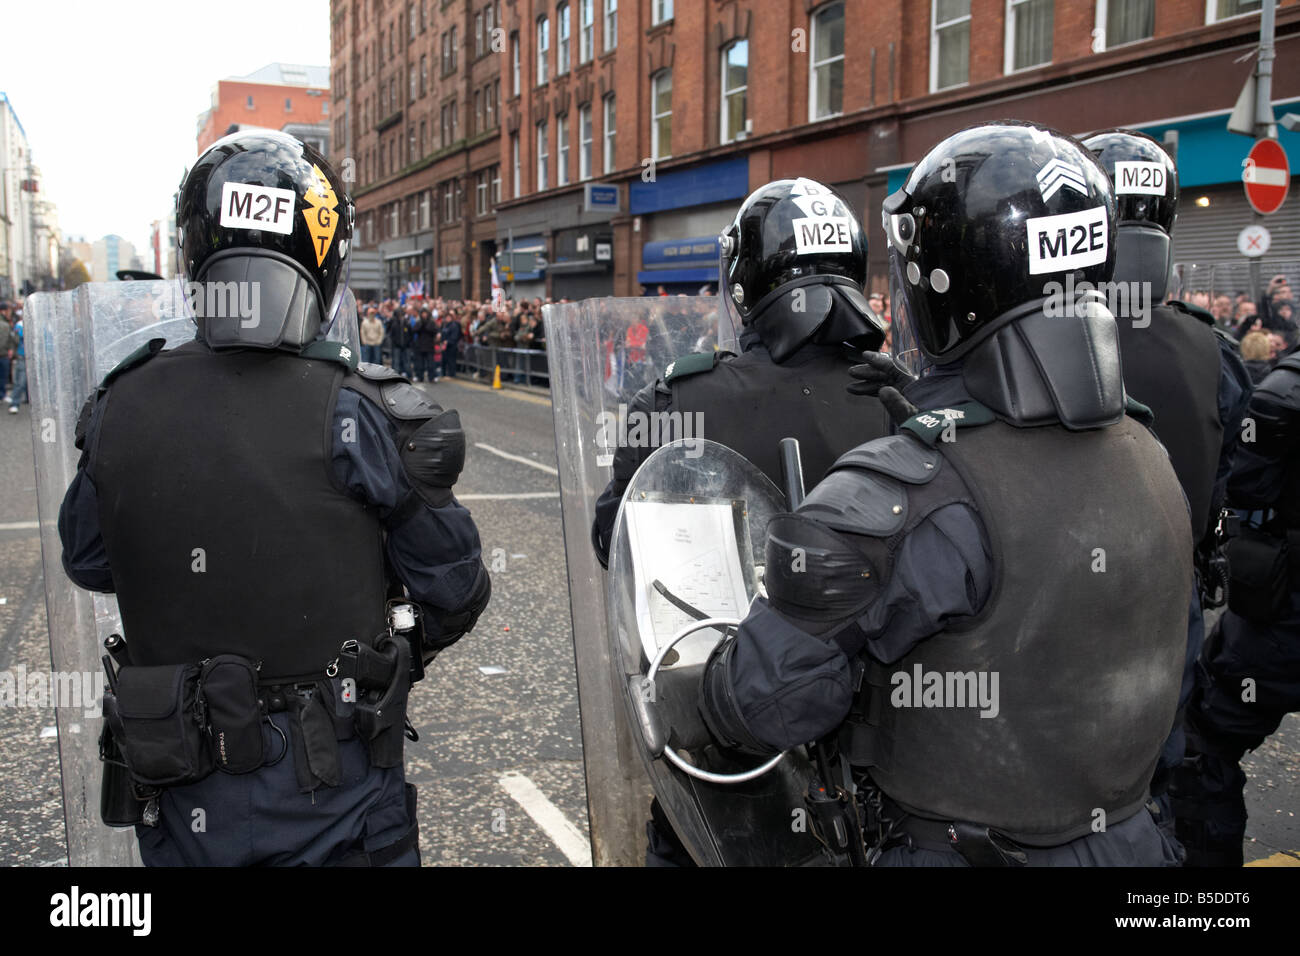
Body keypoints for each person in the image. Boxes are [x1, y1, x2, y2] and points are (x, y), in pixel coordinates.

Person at [698, 122, 1192, 866]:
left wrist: (704, 696)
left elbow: (770, 701)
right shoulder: (1151, 453)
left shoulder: (911, 487)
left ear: (945, 283)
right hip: (1136, 840)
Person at [56, 130, 491, 867]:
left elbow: (90, 560)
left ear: (197, 252)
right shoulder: (365, 411)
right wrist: (396, 647)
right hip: (337, 781)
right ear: (322, 256)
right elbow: (456, 589)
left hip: (182, 784)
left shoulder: (117, 404)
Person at [588, 177, 890, 865]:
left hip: (728, 744)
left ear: (746, 284)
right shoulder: (900, 399)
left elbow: (617, 545)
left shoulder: (682, 399)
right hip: (879, 765)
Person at [1082, 129, 1253, 854]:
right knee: (1163, 775)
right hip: (1171, 605)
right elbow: (1233, 486)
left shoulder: (1033, 341)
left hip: (1054, 605)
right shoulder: (1214, 350)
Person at [1172, 347, 1300, 866]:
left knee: (1204, 743)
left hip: (1282, 618)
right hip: (1277, 613)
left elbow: (1243, 486)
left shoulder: (1283, 392)